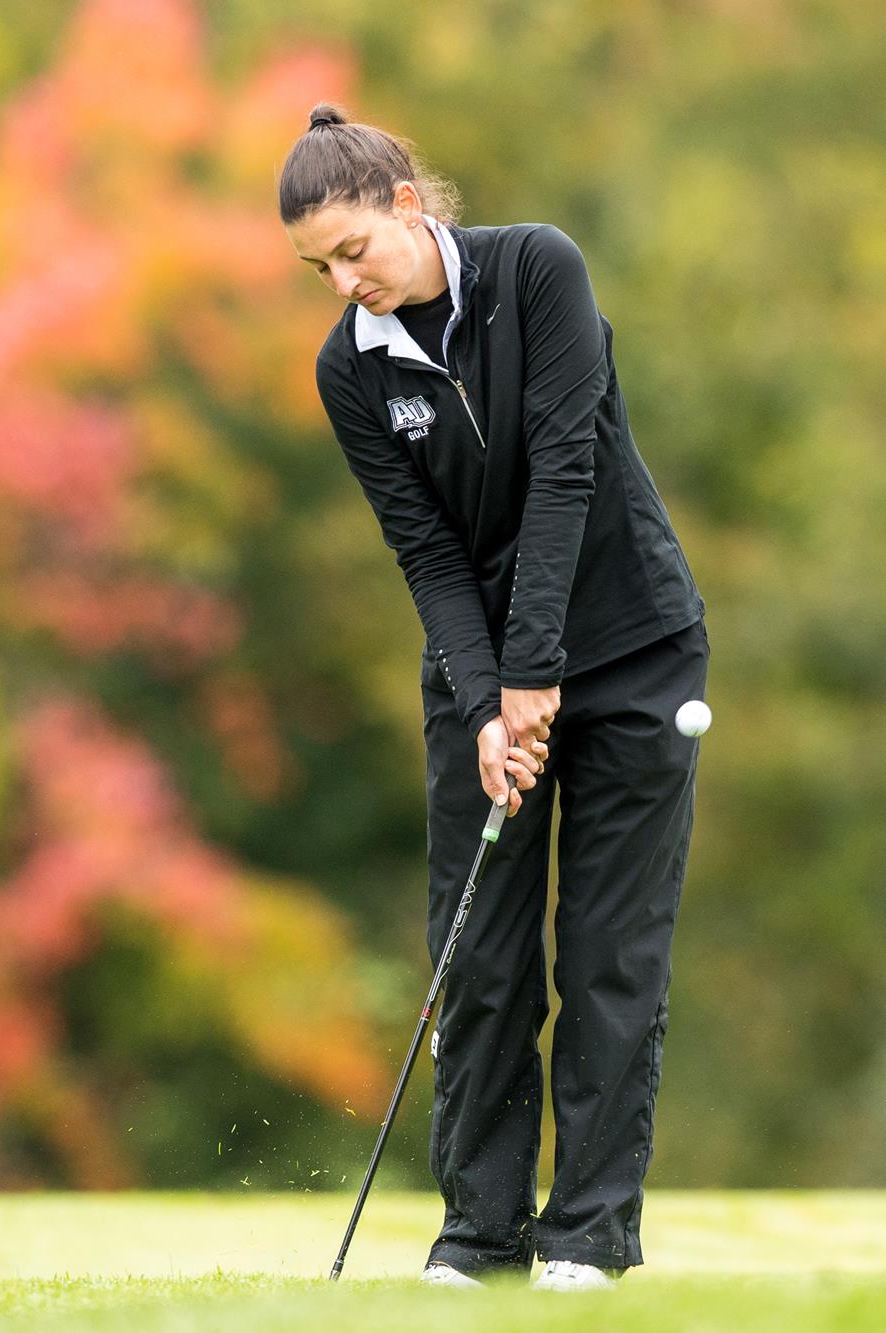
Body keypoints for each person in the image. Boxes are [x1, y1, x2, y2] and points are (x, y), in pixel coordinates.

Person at [279, 103, 707, 1292]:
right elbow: (426, 554)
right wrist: (486, 706)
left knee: (609, 950)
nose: (342, 283)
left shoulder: (536, 271)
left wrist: (536, 681)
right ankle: (477, 1232)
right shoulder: (349, 370)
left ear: (407, 205)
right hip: (480, 677)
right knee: (478, 952)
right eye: (319, 268)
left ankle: (586, 1235)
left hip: (629, 651)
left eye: (353, 250)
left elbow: (566, 475)